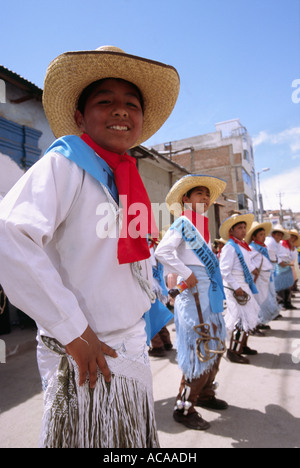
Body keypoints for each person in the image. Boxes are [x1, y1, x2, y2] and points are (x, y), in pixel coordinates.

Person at [0, 45, 180, 448]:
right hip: (86, 346)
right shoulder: (65, 164)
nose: (120, 110)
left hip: (128, 342)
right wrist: (73, 331)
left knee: (128, 441)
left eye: (131, 104)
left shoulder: (123, 176)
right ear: (80, 117)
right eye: (105, 101)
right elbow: (8, 233)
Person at [155, 174, 228, 431]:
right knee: (200, 350)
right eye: (200, 194)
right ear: (186, 198)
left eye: (207, 195)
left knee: (216, 347)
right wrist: (186, 274)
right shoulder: (184, 223)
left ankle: (206, 393)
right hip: (194, 298)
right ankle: (184, 407)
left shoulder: (202, 226)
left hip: (210, 298)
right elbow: (162, 252)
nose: (205, 199)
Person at [219, 213, 260, 364]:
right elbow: (224, 270)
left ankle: (242, 346)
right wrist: (236, 287)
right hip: (235, 286)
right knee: (241, 319)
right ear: (232, 230)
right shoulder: (230, 246)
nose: (243, 230)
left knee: (249, 315)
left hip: (243, 284)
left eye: (244, 228)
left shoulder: (242, 246)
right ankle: (233, 351)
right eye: (239, 228)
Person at [245, 221, 277, 329]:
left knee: (263, 300)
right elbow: (247, 260)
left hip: (265, 277)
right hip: (258, 277)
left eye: (264, 234)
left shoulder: (263, 247)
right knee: (258, 300)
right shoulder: (252, 247)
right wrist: (254, 269)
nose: (263, 237)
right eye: (261, 235)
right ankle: (256, 323)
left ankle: (261, 321)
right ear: (254, 237)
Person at [277, 229, 300, 310]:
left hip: (288, 266)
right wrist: (280, 262)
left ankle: (287, 302)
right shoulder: (280, 244)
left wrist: (293, 248)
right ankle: (281, 303)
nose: (292, 239)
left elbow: (294, 257)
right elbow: (276, 255)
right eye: (291, 237)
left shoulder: (291, 247)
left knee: (288, 286)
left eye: (294, 238)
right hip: (280, 266)